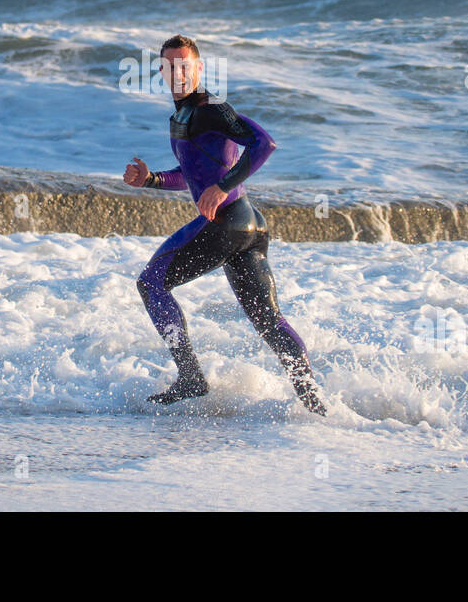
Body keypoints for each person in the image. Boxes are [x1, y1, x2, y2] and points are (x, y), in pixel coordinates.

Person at [123, 34, 327, 415]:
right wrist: (150, 180)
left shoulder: (211, 106)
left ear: (199, 68)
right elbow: (189, 174)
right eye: (169, 66)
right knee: (268, 320)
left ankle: (190, 377)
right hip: (247, 225)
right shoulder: (183, 116)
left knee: (151, 283)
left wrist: (222, 187)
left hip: (229, 221)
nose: (178, 72)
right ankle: (314, 405)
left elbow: (263, 144)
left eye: (185, 65)